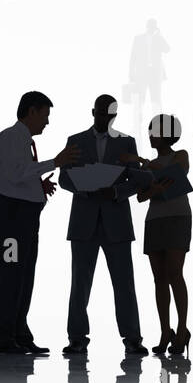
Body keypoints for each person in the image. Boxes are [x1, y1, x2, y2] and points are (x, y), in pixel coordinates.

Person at [59, 95, 154, 358]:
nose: (104, 118)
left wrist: (115, 192)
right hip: (83, 222)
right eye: (101, 113)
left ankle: (132, 339)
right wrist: (86, 186)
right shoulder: (75, 141)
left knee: (125, 284)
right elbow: (64, 178)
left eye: (109, 114)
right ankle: (77, 338)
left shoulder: (127, 142)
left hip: (116, 222)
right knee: (80, 284)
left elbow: (137, 180)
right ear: (93, 112)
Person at [0, 92, 80, 355]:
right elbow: (15, 174)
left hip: (26, 216)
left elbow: (20, 175)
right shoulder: (10, 137)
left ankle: (19, 332)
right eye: (45, 115)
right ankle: (3, 336)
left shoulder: (24, 140)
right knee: (11, 274)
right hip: (12, 217)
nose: (47, 122)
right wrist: (55, 162)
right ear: (31, 111)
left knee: (25, 275)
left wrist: (38, 185)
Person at [135, 114, 192, 357]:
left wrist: (144, 164)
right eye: (149, 131)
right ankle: (164, 330)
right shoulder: (146, 166)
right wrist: (153, 189)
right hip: (155, 219)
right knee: (159, 278)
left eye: (155, 132)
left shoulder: (180, 154)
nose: (151, 136)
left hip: (178, 217)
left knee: (175, 274)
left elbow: (178, 171)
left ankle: (181, 329)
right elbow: (140, 196)